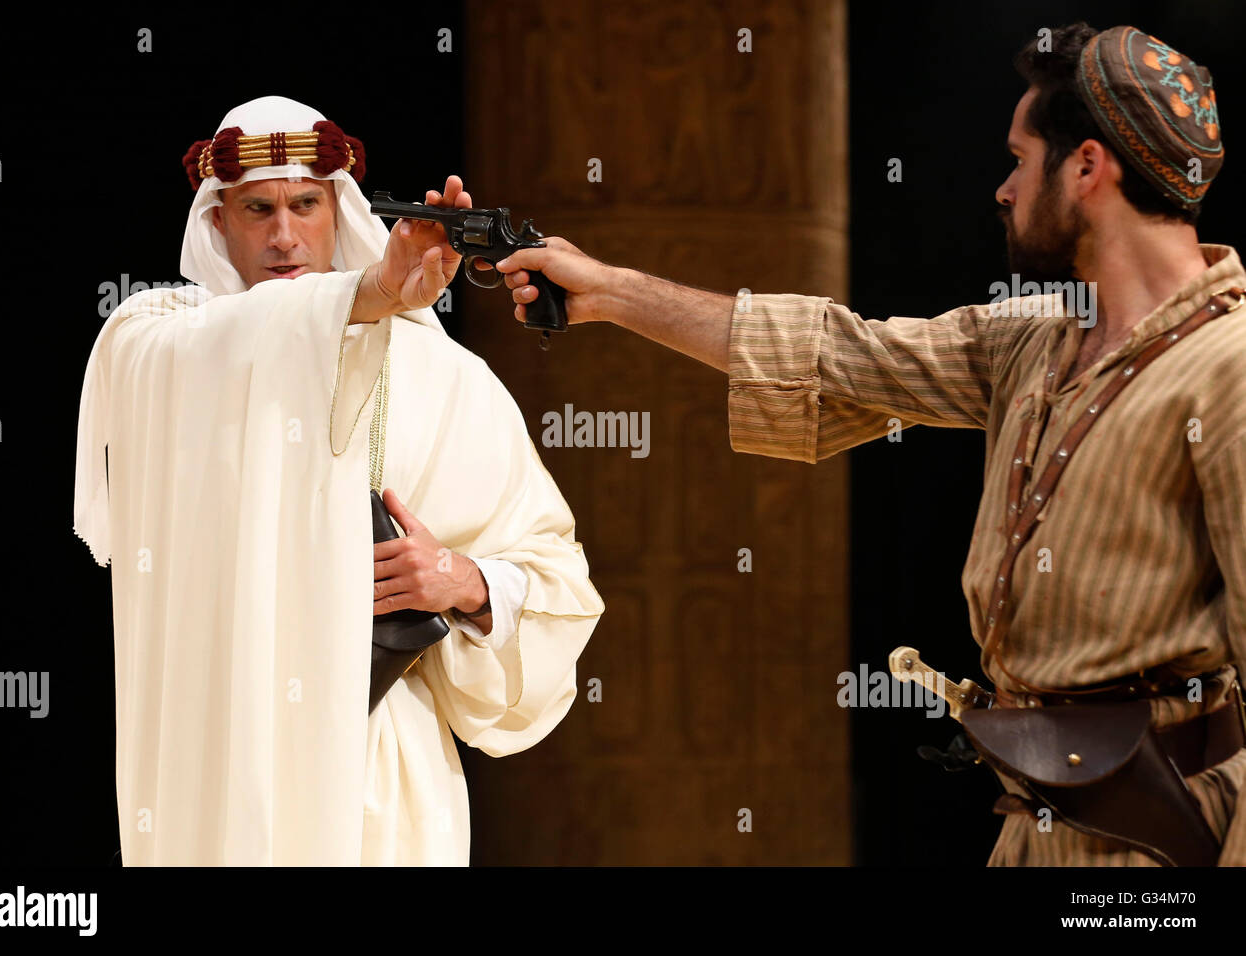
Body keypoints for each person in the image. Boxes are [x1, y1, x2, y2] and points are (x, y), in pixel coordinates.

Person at [492, 24, 1245, 866]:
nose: (1003, 188)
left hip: (1165, 846)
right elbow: (839, 354)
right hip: (1037, 831)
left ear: (1087, 167)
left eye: (1020, 158)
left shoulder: (1230, 371)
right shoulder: (1035, 339)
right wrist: (613, 294)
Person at [73, 95, 603, 865]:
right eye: (258, 209)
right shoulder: (158, 343)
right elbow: (218, 345)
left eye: (305, 205)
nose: (285, 235)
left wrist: (462, 581)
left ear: (338, 209)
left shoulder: (446, 377)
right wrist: (371, 293)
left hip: (379, 782)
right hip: (215, 772)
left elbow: (559, 581)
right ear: (217, 224)